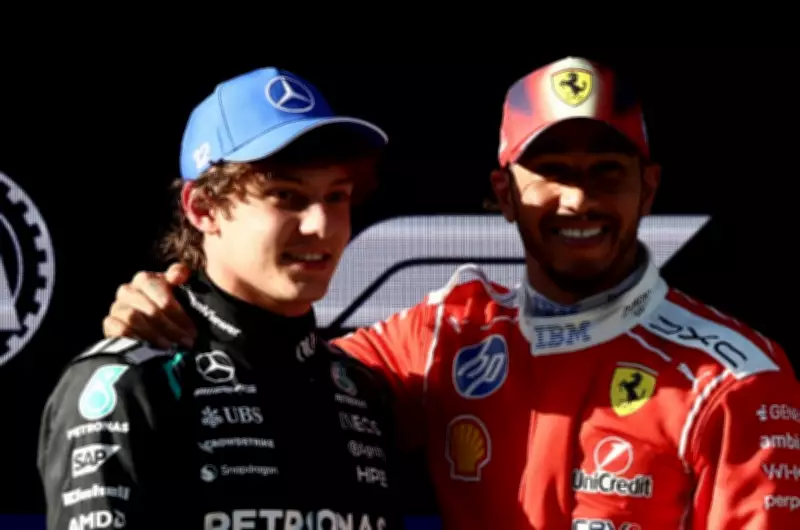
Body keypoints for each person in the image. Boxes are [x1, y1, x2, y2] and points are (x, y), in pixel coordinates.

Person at [100, 57, 800, 529]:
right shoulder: (448, 333)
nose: (578, 198)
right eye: (549, 171)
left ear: (648, 187)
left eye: (606, 172)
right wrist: (169, 303)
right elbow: (277, 363)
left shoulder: (738, 380)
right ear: (503, 194)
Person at [37, 67, 406, 530]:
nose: (321, 226)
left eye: (336, 196)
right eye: (286, 196)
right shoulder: (130, 384)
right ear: (203, 209)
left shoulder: (363, 391)